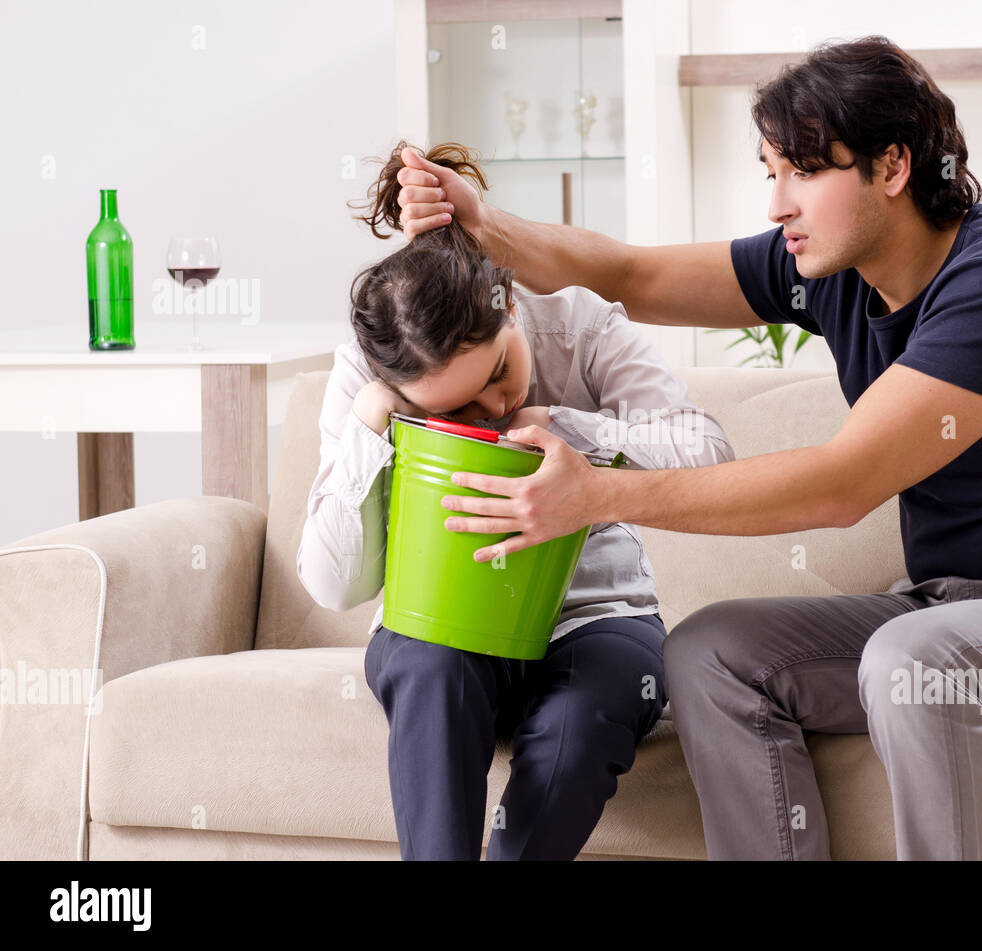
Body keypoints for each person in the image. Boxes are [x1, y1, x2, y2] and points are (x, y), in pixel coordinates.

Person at [396, 36, 982, 861]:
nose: (778, 204)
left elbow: (841, 484)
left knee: (912, 656)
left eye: (805, 172)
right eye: (770, 171)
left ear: (892, 167)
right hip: (946, 608)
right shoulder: (827, 272)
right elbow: (632, 275)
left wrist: (598, 492)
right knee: (710, 652)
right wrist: (483, 222)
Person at [296, 140, 735, 860]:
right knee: (428, 666)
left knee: (585, 717)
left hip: (597, 620)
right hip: (446, 622)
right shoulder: (365, 378)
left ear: (504, 301)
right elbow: (330, 582)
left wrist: (570, 428)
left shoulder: (580, 324)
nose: (497, 406)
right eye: (462, 408)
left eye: (499, 369)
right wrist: (371, 422)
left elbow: (709, 452)